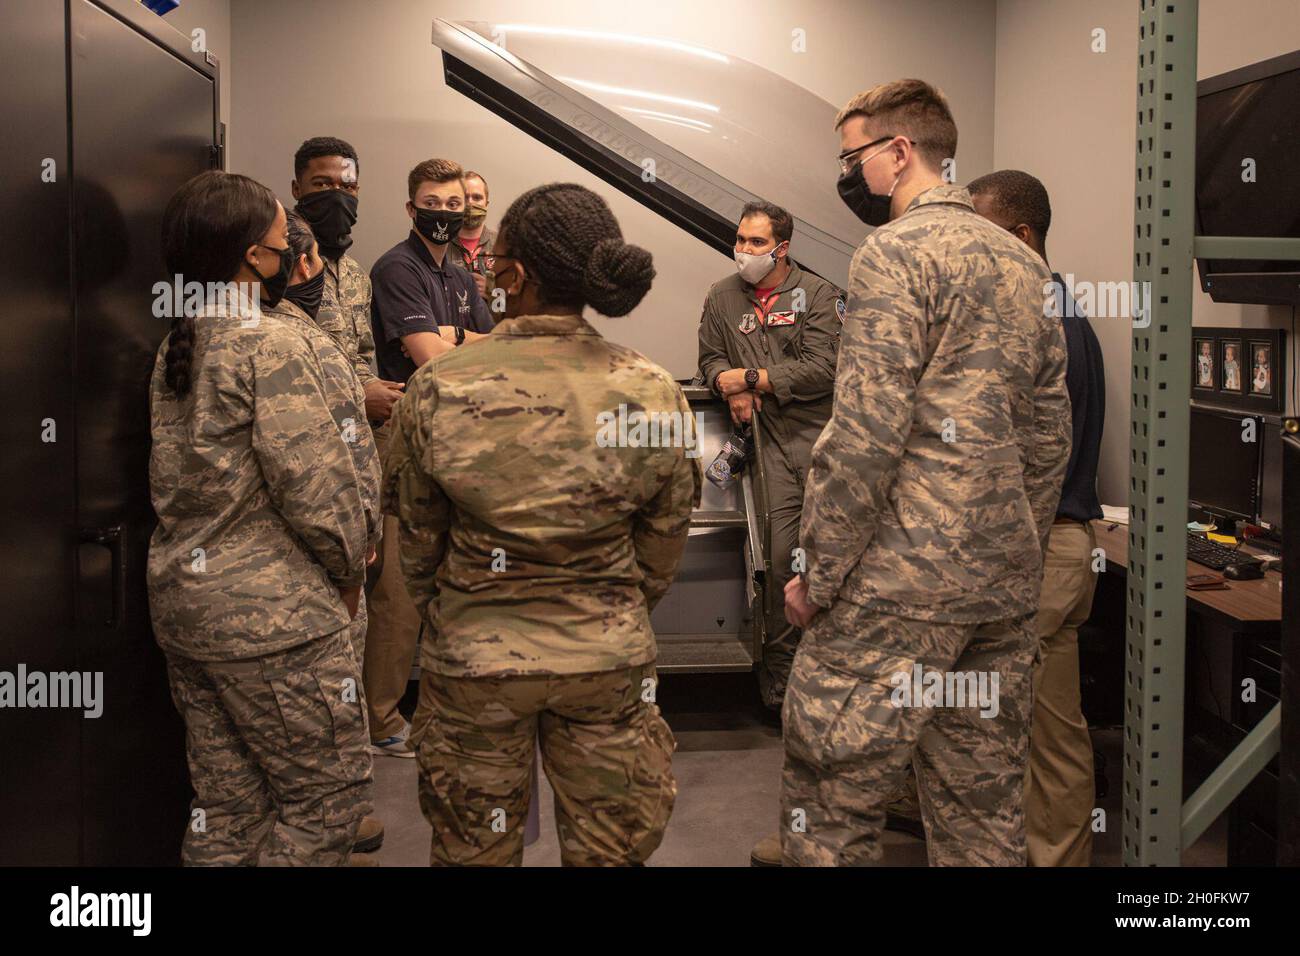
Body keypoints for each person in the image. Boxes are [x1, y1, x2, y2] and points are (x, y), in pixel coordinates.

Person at [779, 80, 1071, 867]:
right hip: (997, 593)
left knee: (831, 807)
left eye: (853, 156)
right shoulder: (1024, 264)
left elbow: (867, 431)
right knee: (982, 816)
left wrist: (821, 573)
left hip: (894, 591)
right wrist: (1016, 549)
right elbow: (1049, 439)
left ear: (899, 151)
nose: (850, 175)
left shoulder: (892, 254)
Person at [383, 182, 700, 866]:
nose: (486, 271)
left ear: (516, 275)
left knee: (475, 849)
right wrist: (612, 606)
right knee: (611, 849)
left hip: (476, 663)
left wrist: (464, 610)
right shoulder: (650, 389)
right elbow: (664, 540)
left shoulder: (443, 387)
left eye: (492, 260)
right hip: (606, 660)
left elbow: (416, 538)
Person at [147, 170, 372, 865]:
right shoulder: (271, 345)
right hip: (277, 623)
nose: (292, 258)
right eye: (282, 245)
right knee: (325, 810)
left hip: (190, 613)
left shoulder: (182, 340)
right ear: (254, 256)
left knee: (226, 811)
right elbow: (318, 487)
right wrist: (348, 576)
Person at [968, 170, 1105, 866]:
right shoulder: (1049, 309)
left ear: (1023, 236)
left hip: (1044, 548)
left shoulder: (1044, 316)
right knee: (1027, 731)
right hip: (1042, 545)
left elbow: (1033, 458)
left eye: (984, 235)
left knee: (1048, 737)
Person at [363, 158, 494, 757]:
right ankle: (382, 718)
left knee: (447, 577)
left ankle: (436, 711)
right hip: (404, 439)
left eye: (452, 204)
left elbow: (498, 344)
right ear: (411, 207)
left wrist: (454, 337)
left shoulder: (461, 271)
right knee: (396, 585)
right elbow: (427, 358)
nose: (444, 213)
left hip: (456, 437)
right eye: (431, 203)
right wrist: (457, 341)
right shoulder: (396, 267)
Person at [697, 200, 842, 724]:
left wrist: (754, 380)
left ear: (783, 248)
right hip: (767, 445)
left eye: (757, 243)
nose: (745, 251)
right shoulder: (721, 296)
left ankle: (829, 682)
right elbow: (712, 357)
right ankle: (783, 685)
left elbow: (825, 369)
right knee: (784, 561)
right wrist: (724, 385)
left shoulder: (821, 295)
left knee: (833, 563)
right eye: (740, 240)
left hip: (823, 442)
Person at [275, 210, 387, 857]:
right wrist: (350, 565)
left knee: (227, 798)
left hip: (199, 596)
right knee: (322, 788)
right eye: (300, 259)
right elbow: (317, 478)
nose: (312, 272)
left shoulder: (196, 330)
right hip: (295, 594)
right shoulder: (291, 346)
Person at [290, 136, 405, 425]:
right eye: (322, 184)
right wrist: (357, 397)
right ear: (297, 189)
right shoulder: (279, 266)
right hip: (302, 425)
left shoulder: (355, 274)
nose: (336, 194)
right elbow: (276, 366)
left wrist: (378, 390)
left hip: (351, 427)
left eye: (347, 187)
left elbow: (359, 356)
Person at [452, 169, 495, 298]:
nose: (470, 203)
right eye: (464, 197)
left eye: (477, 197)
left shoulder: (503, 245)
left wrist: (492, 292)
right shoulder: (439, 245)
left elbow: (513, 306)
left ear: (486, 204)